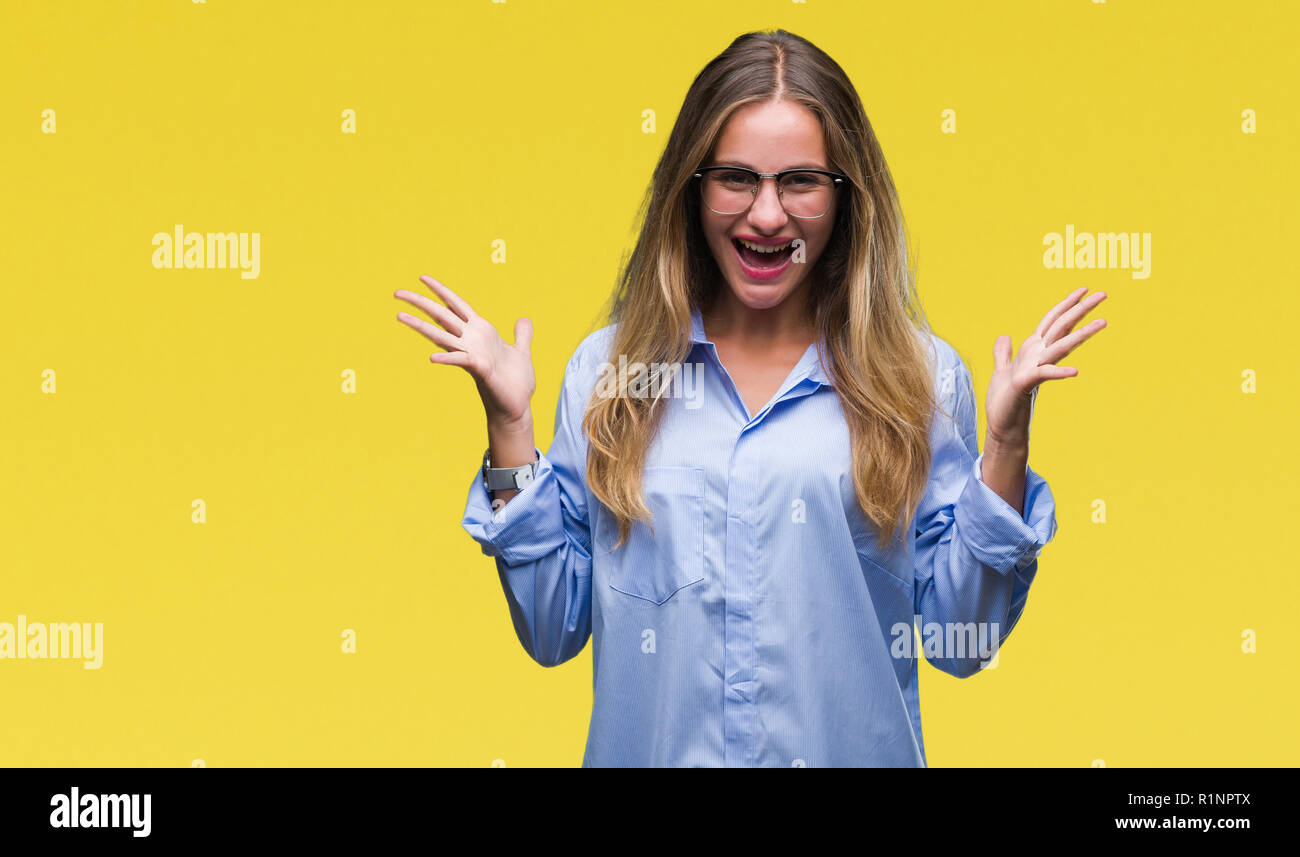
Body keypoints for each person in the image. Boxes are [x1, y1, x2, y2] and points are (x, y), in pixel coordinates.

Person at [394, 29, 1107, 767]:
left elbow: (967, 640)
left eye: (800, 181)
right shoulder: (613, 376)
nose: (767, 215)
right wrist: (511, 427)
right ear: (693, 187)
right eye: (737, 177)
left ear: (845, 198)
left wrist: (1009, 448)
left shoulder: (916, 380)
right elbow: (551, 631)